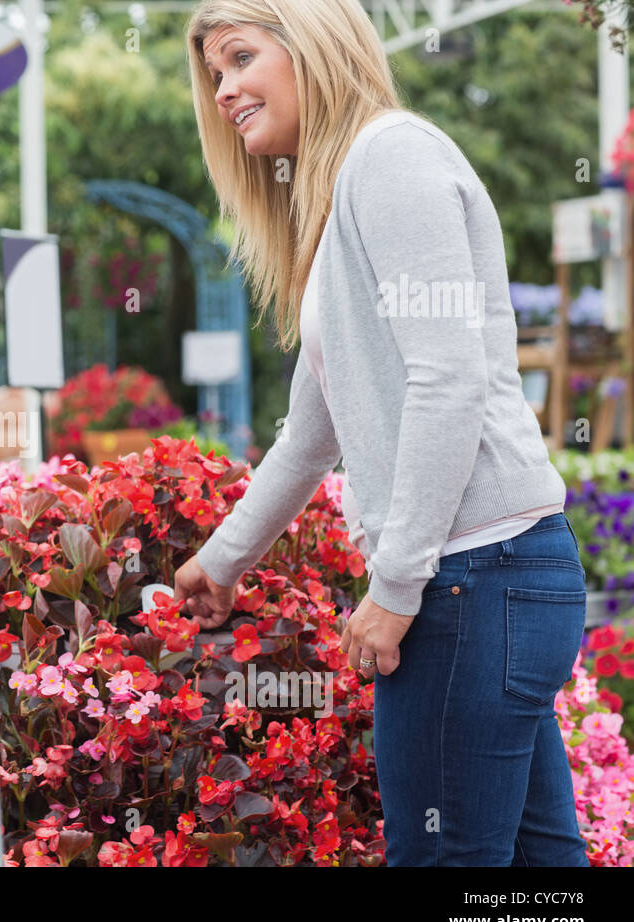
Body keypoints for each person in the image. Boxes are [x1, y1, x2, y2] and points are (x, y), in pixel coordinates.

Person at [172, 0, 590, 867]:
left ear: (312, 45)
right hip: (494, 582)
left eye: (242, 58)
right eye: (216, 73)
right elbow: (309, 435)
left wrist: (395, 589)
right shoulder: (342, 198)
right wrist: (223, 559)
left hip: (474, 582)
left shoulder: (390, 158)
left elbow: (450, 381)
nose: (225, 90)